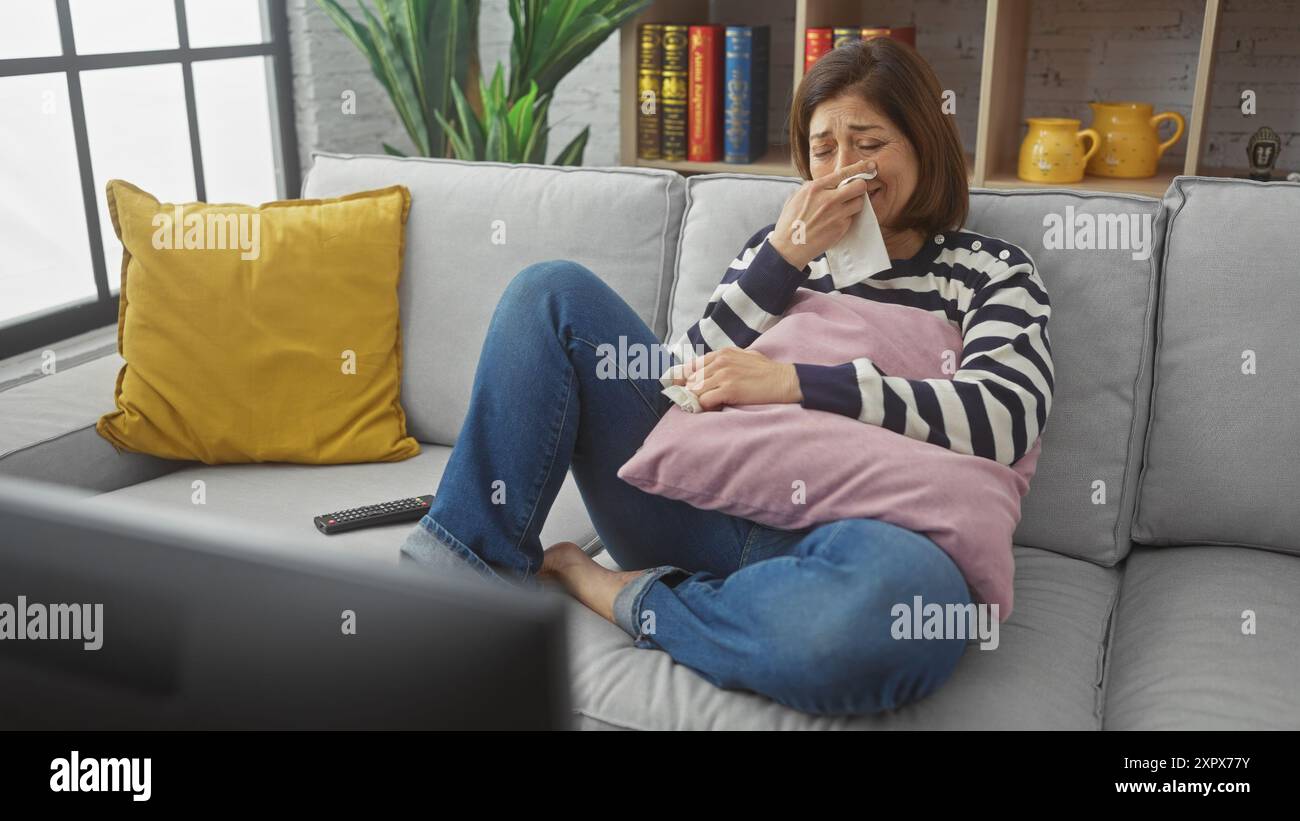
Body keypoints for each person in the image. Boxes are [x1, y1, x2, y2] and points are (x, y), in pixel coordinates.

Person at [399, 37, 1054, 716]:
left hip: (868, 536)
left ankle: (620, 591)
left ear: (923, 143)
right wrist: (782, 258)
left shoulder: (988, 271)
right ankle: (454, 588)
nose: (844, 169)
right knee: (549, 293)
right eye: (823, 149)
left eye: (869, 144)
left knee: (880, 629)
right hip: (696, 512)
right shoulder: (776, 255)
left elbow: (1002, 417)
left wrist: (795, 381)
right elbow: (677, 385)